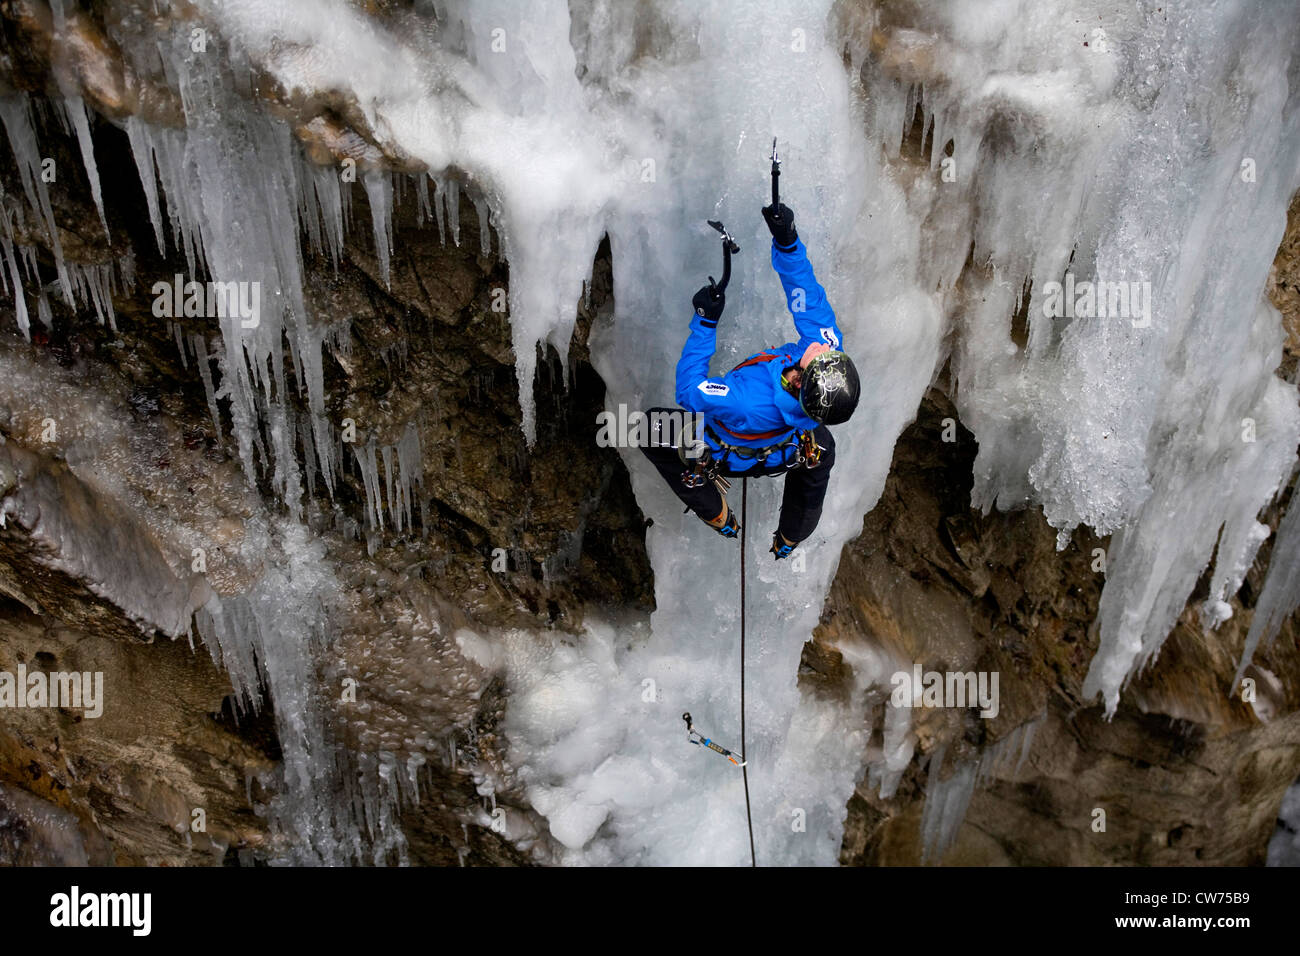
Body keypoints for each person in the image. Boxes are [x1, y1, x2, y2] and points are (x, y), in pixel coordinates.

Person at [640, 201, 859, 560]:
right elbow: (807, 301)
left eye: (821, 353)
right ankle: (791, 537)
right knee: (822, 451)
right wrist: (788, 243)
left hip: (722, 454)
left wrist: (705, 323)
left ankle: (714, 511)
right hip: (790, 450)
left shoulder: (742, 398)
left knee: (648, 428)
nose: (822, 344)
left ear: (803, 376)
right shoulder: (822, 367)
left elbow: (690, 390)